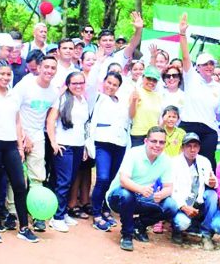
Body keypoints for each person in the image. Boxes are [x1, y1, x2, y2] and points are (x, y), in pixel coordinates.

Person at [0, 60, 35, 244]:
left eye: (8, 74)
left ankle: (24, 227)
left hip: (11, 144)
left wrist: (20, 146)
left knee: (20, 184)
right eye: (2, 73)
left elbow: (17, 121)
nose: (5, 77)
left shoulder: (13, 95)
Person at [106, 126, 177, 251]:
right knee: (127, 195)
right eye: (153, 141)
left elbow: (169, 188)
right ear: (146, 141)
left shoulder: (166, 160)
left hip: (143, 197)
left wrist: (161, 194)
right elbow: (124, 180)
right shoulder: (134, 153)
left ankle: (139, 225)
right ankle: (126, 235)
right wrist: (141, 189)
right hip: (118, 196)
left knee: (171, 206)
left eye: (161, 142)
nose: (157, 145)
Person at [11, 54, 58, 232]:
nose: (49, 71)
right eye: (46, 67)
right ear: (39, 67)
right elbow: (13, 111)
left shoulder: (53, 91)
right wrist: (23, 137)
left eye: (53, 68)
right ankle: (13, 212)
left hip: (38, 135)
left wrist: (52, 141)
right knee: (16, 177)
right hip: (18, 132)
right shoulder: (25, 84)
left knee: (38, 175)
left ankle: (38, 214)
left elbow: (50, 119)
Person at [178, 14, 220, 168]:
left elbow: (219, 113)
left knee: (207, 162)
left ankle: (210, 191)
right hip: (189, 125)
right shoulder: (191, 77)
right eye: (205, 64)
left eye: (211, 64)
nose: (209, 67)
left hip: (209, 129)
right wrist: (182, 34)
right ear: (198, 67)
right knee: (185, 162)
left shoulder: (219, 87)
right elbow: (185, 57)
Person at [46, 71, 90, 233]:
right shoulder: (62, 99)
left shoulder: (83, 100)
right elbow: (51, 120)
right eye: (74, 83)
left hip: (78, 146)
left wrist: (85, 146)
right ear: (68, 84)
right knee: (63, 182)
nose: (78, 86)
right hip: (64, 146)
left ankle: (62, 212)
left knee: (70, 181)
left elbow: (83, 126)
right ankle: (56, 217)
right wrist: (53, 142)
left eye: (81, 83)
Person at [88, 73, 130, 221]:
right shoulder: (97, 97)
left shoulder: (121, 102)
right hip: (102, 142)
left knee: (112, 179)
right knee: (103, 178)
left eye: (115, 85)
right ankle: (96, 212)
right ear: (104, 82)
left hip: (120, 144)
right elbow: (91, 82)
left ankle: (106, 209)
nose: (111, 87)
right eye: (109, 83)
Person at [170, 132, 220, 249]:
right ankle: (177, 231)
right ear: (183, 147)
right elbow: (171, 190)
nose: (192, 149)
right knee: (182, 223)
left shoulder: (204, 161)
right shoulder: (174, 163)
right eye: (189, 146)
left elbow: (211, 180)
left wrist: (213, 183)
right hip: (181, 203)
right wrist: (183, 206)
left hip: (198, 201)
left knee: (212, 195)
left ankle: (206, 234)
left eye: (196, 146)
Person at [129, 66, 165, 147]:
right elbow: (131, 115)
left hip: (154, 136)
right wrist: (134, 101)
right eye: (149, 78)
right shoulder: (137, 92)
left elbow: (158, 120)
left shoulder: (158, 96)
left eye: (154, 80)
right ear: (143, 78)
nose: (151, 82)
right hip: (138, 135)